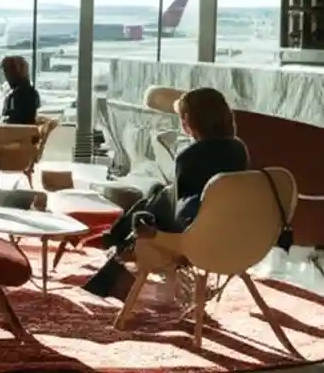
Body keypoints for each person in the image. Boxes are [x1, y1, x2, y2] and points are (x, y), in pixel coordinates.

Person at [84, 87, 250, 298]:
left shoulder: (190, 156)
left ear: (188, 120)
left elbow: (180, 216)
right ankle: (115, 240)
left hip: (193, 238)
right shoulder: (238, 149)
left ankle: (116, 247)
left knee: (151, 207)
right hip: (232, 233)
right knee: (157, 194)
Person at [0, 55, 40, 125]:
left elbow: (16, 122)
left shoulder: (21, 95)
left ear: (16, 71)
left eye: (6, 71)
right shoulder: (30, 91)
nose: (5, 76)